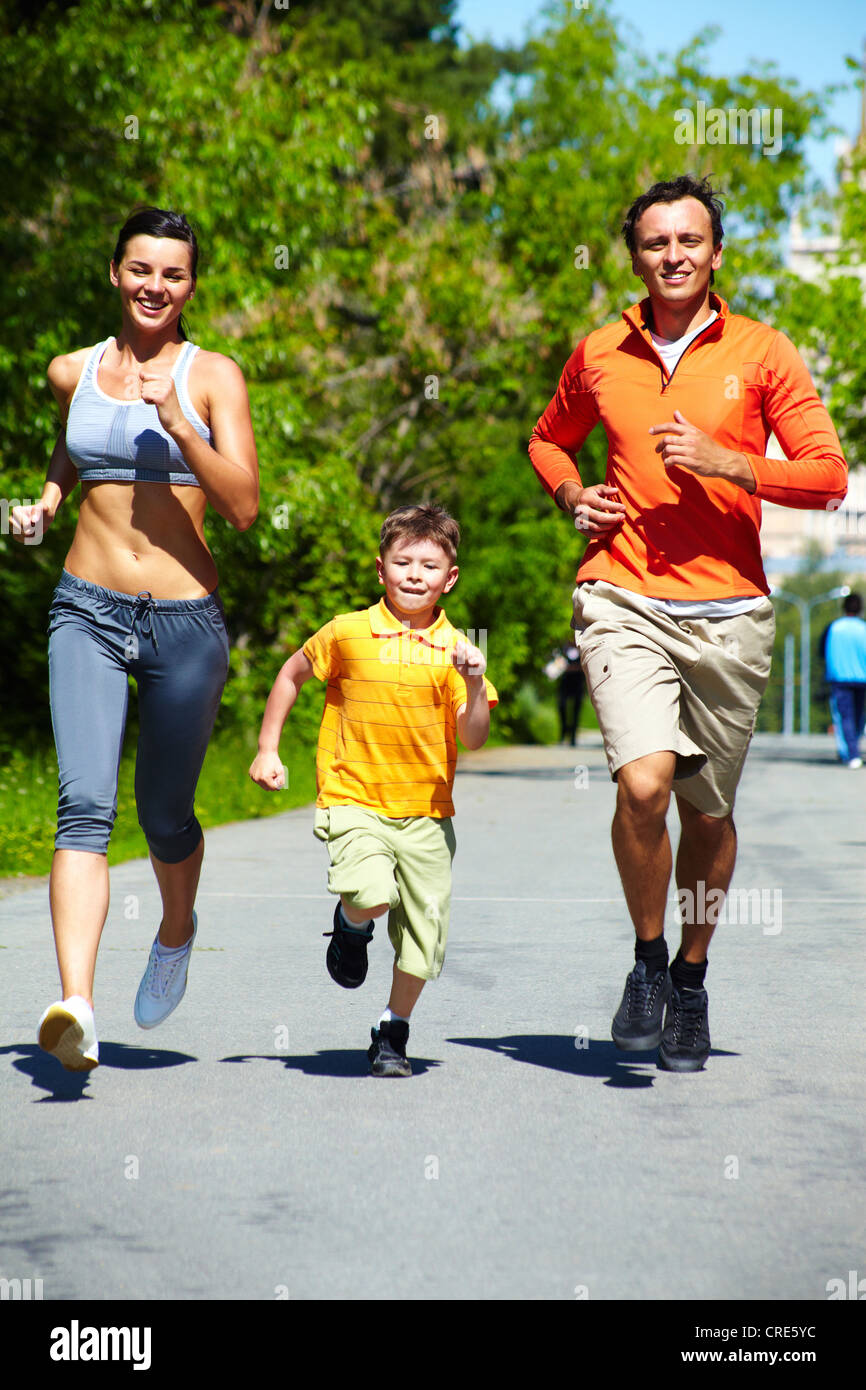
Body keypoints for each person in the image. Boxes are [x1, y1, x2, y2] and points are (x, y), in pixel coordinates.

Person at [528, 174, 847, 1072]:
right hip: (622, 592)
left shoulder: (764, 350)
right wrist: (569, 493)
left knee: (707, 815)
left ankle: (692, 978)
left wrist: (732, 462)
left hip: (729, 611)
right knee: (643, 786)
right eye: (655, 242)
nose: (673, 256)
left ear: (716, 253)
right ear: (635, 255)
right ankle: (644, 961)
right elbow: (547, 437)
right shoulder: (599, 351)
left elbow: (827, 477)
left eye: (689, 241)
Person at [11, 206, 259, 1072]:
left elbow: (244, 507)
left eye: (175, 274)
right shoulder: (70, 370)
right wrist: (45, 502)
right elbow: (73, 448)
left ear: (192, 285)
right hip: (86, 609)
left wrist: (183, 426)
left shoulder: (213, 376)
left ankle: (177, 925)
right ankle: (76, 1002)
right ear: (115, 273)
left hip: (184, 623)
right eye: (141, 269)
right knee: (83, 806)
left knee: (162, 816)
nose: (157, 286)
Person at [249, 504, 497, 1077]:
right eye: (402, 561)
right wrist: (268, 747)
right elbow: (290, 675)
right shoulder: (348, 632)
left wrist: (477, 681)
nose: (415, 574)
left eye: (429, 565)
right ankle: (351, 926)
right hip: (354, 796)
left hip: (427, 813)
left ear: (450, 579)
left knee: (424, 936)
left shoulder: (458, 650)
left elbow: (475, 737)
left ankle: (392, 1030)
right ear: (380, 569)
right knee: (369, 892)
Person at [822, 594, 866, 767]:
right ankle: (853, 749)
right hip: (862, 677)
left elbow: (822, 651)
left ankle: (850, 753)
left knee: (844, 716)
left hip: (839, 677)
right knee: (857, 716)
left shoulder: (834, 628)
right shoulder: (863, 628)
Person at [544, 639, 585, 745]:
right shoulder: (562, 650)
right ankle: (563, 733)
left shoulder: (582, 649)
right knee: (561, 707)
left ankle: (573, 737)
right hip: (564, 684)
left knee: (576, 711)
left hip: (578, 684)